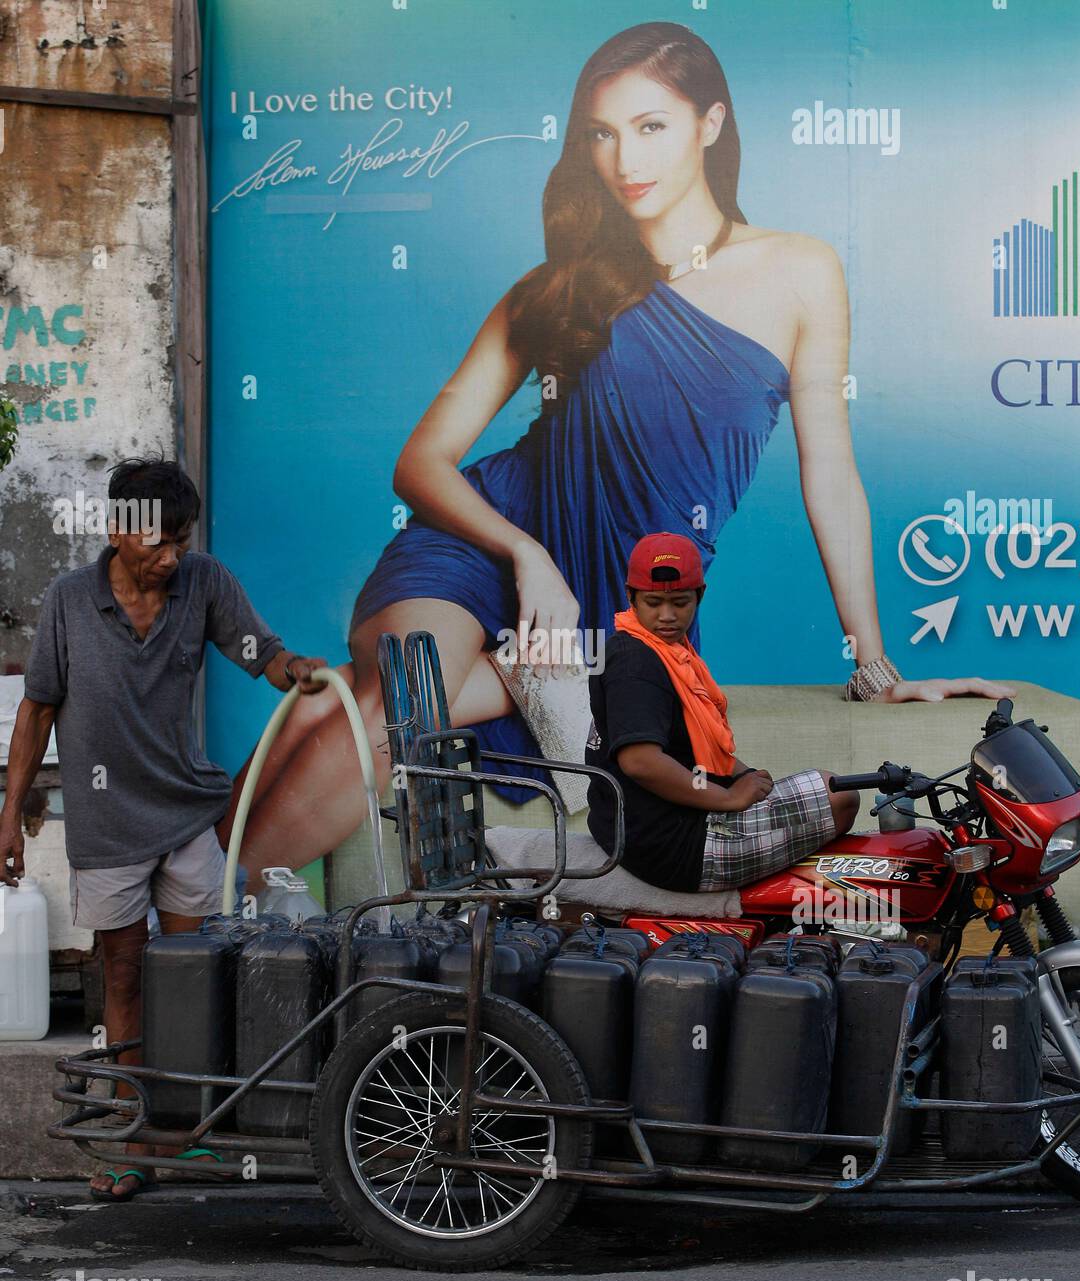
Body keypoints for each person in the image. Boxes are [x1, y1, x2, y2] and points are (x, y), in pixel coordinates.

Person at [220, 19, 1011, 878]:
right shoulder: (558, 287)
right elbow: (419, 465)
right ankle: (205, 915)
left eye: (651, 126)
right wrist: (526, 556)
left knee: (346, 705)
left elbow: (831, 473)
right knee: (407, 693)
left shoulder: (801, 271)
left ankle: (196, 893)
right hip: (480, 547)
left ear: (710, 123)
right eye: (602, 133)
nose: (625, 158)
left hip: (620, 602)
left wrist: (874, 667)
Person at [0, 458, 327, 1202]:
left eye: (182, 541)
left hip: (183, 814)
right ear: (118, 531)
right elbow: (37, 709)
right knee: (122, 975)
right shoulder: (70, 600)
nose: (173, 557)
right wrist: (10, 816)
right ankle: (130, 1137)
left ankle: (184, 1127)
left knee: (190, 974)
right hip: (107, 823)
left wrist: (295, 670)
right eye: (160, 543)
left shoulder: (203, 582)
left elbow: (260, 654)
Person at [585, 532, 858, 892]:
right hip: (674, 845)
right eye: (653, 602)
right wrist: (729, 797)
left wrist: (745, 775)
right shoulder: (634, 661)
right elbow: (640, 761)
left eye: (680, 602)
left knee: (826, 789)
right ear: (630, 596)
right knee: (839, 795)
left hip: (654, 827)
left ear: (699, 595)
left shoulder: (668, 653)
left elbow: (692, 746)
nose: (667, 616)